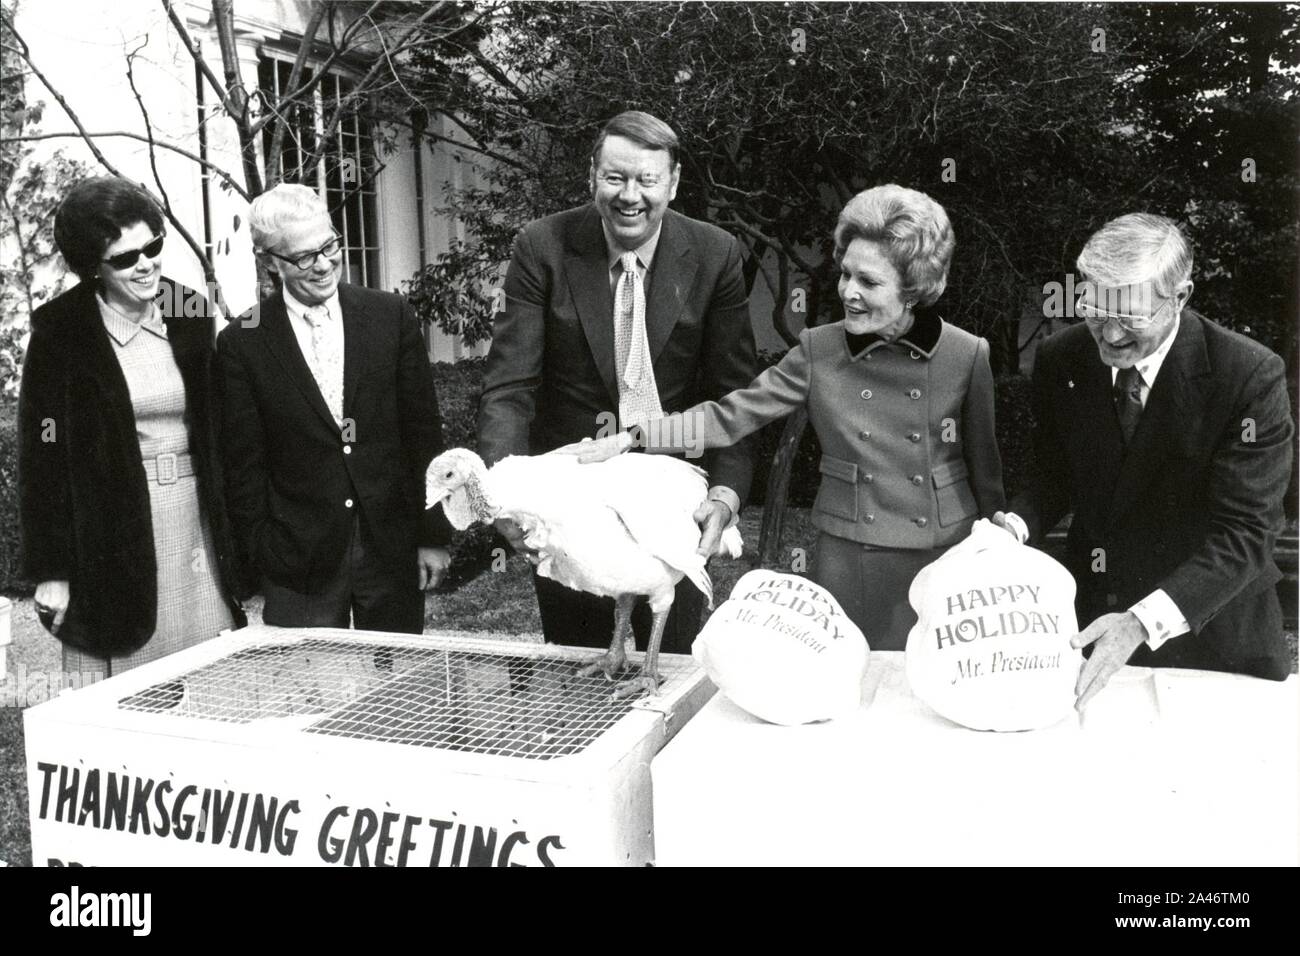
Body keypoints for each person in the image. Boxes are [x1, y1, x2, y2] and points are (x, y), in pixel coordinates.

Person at [566, 184, 1005, 650]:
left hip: (945, 552)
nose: (848, 293)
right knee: (843, 686)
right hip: (851, 552)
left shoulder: (966, 354)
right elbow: (732, 414)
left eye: (869, 283)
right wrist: (633, 436)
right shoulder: (820, 350)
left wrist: (1000, 539)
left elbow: (986, 469)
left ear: (913, 289)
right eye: (845, 275)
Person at [477, 110, 758, 654]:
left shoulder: (715, 254)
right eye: (615, 178)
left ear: (672, 183)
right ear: (592, 177)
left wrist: (724, 494)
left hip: (668, 504)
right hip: (569, 505)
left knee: (670, 667)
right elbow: (510, 386)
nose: (631, 196)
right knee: (577, 671)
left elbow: (735, 396)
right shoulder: (543, 246)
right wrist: (505, 494)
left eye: (647, 180)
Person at [993, 213, 1294, 707]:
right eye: (1093, 311)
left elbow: (1246, 533)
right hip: (1094, 618)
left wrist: (1139, 623)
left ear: (1180, 296)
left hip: (1215, 635)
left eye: (1131, 318)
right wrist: (1013, 530)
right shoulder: (1061, 359)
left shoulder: (1248, 375)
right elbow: (1054, 476)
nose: (1109, 336)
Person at [18, 175, 246, 676]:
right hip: (113, 530)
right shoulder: (61, 331)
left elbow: (220, 432)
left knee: (205, 682)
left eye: (153, 247)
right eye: (124, 257)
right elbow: (44, 455)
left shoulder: (189, 310)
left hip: (194, 526)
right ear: (92, 266)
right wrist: (52, 572)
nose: (145, 264)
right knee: (126, 687)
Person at [218, 184, 450, 633]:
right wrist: (264, 548)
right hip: (297, 560)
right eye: (304, 257)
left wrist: (432, 535)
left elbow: (423, 435)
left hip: (390, 548)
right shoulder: (243, 343)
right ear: (269, 262)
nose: (324, 264)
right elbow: (243, 465)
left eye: (329, 246)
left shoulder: (391, 316)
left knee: (396, 693)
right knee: (312, 695)